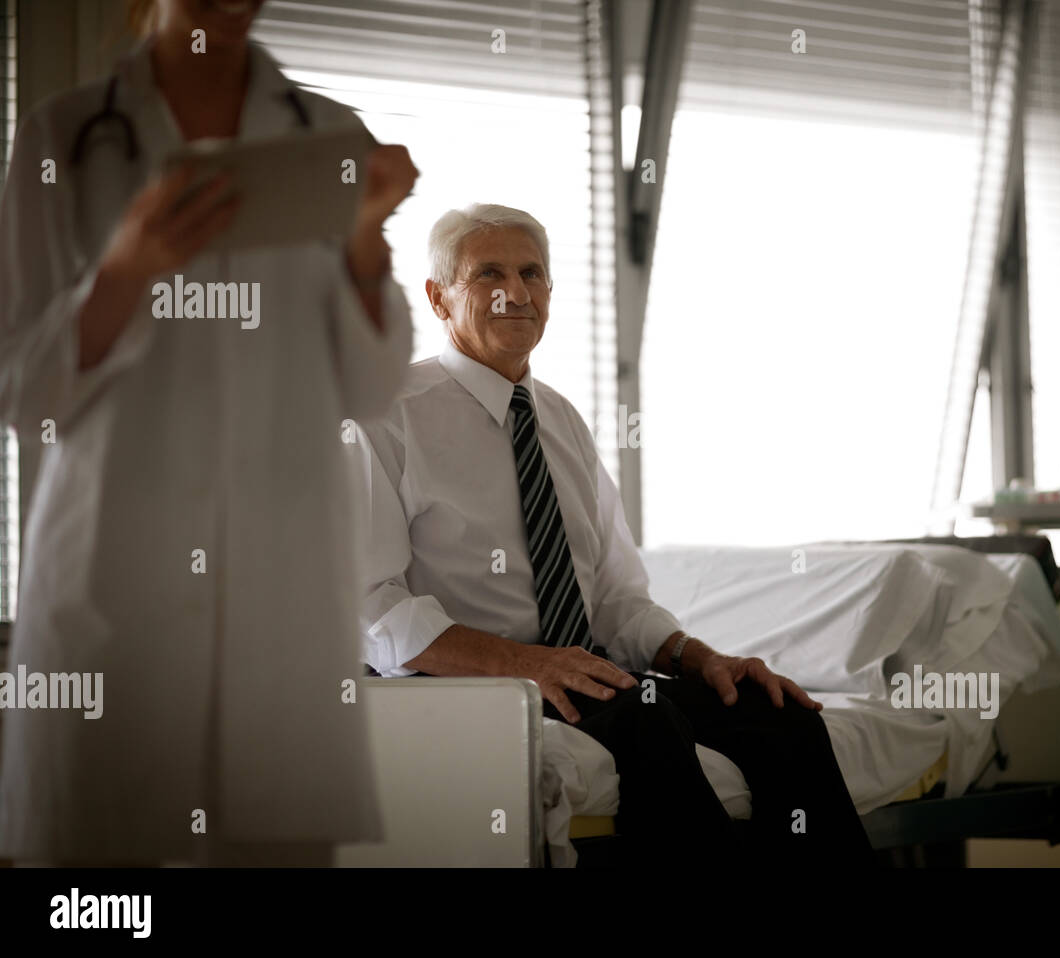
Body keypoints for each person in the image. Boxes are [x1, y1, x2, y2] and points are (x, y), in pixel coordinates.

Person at [0, 0, 417, 865]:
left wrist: (365, 238)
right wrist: (123, 272)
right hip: (111, 588)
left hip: (284, 600)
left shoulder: (329, 140)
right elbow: (23, 396)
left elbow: (373, 390)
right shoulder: (64, 138)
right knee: (102, 907)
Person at [350, 203, 875, 866]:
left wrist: (700, 657)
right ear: (437, 298)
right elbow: (370, 606)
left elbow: (616, 600)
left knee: (775, 714)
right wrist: (524, 663)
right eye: (489, 274)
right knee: (645, 717)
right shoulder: (384, 416)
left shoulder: (562, 421)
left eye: (531, 273)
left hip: (581, 674)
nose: (517, 292)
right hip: (466, 684)